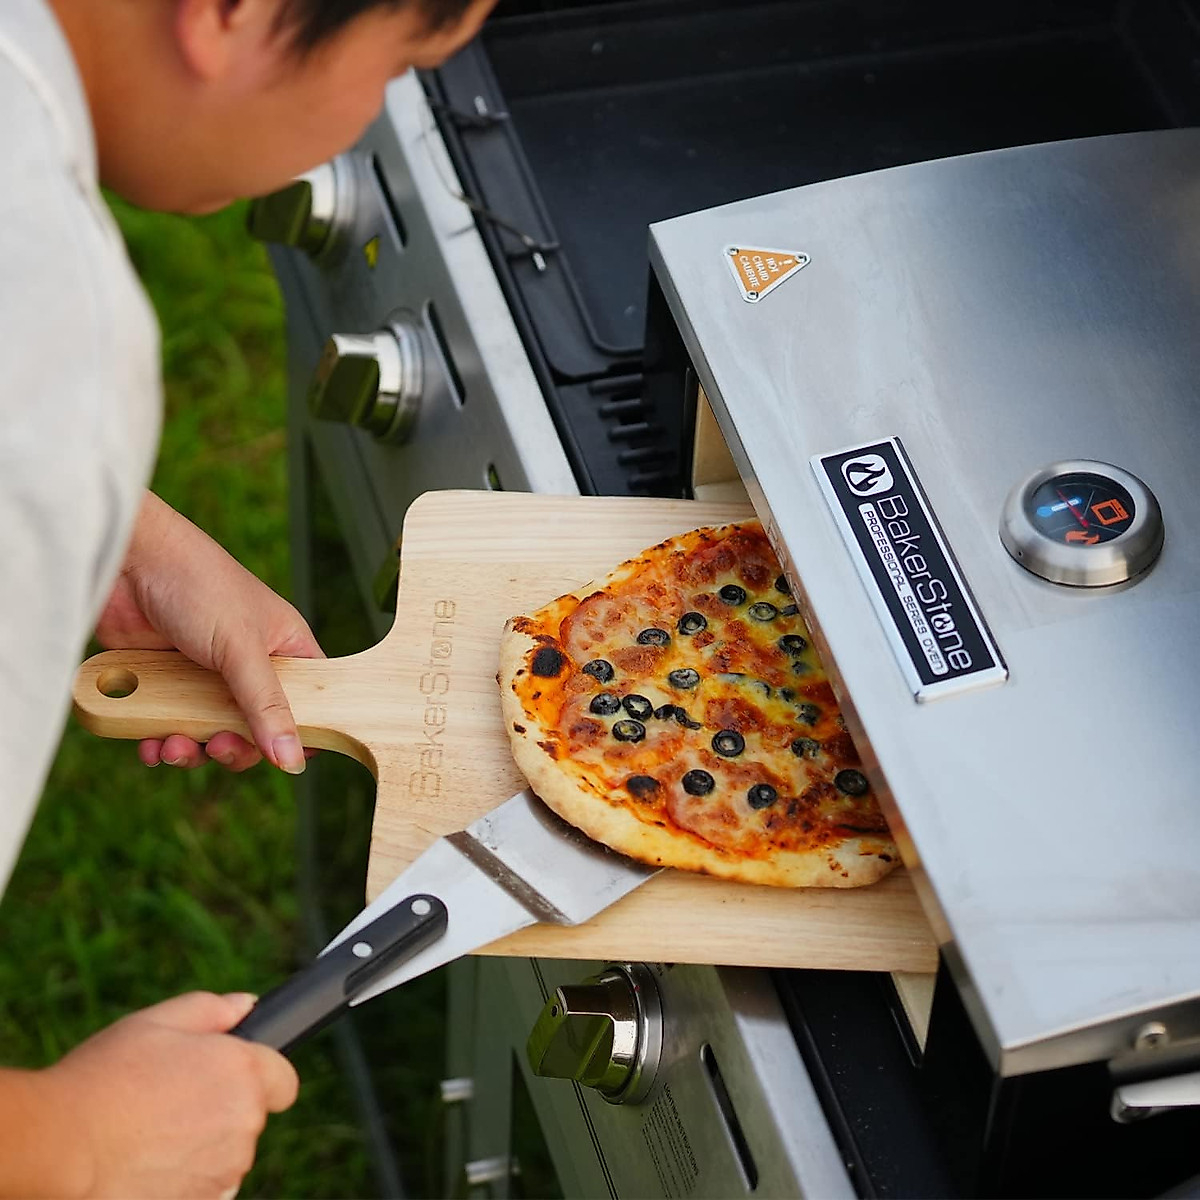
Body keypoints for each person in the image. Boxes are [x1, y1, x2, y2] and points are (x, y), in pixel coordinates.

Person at [0, 0, 493, 1193]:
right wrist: (75, 1147)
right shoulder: (51, 344)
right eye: (401, 65)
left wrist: (119, 528)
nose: (364, 121)